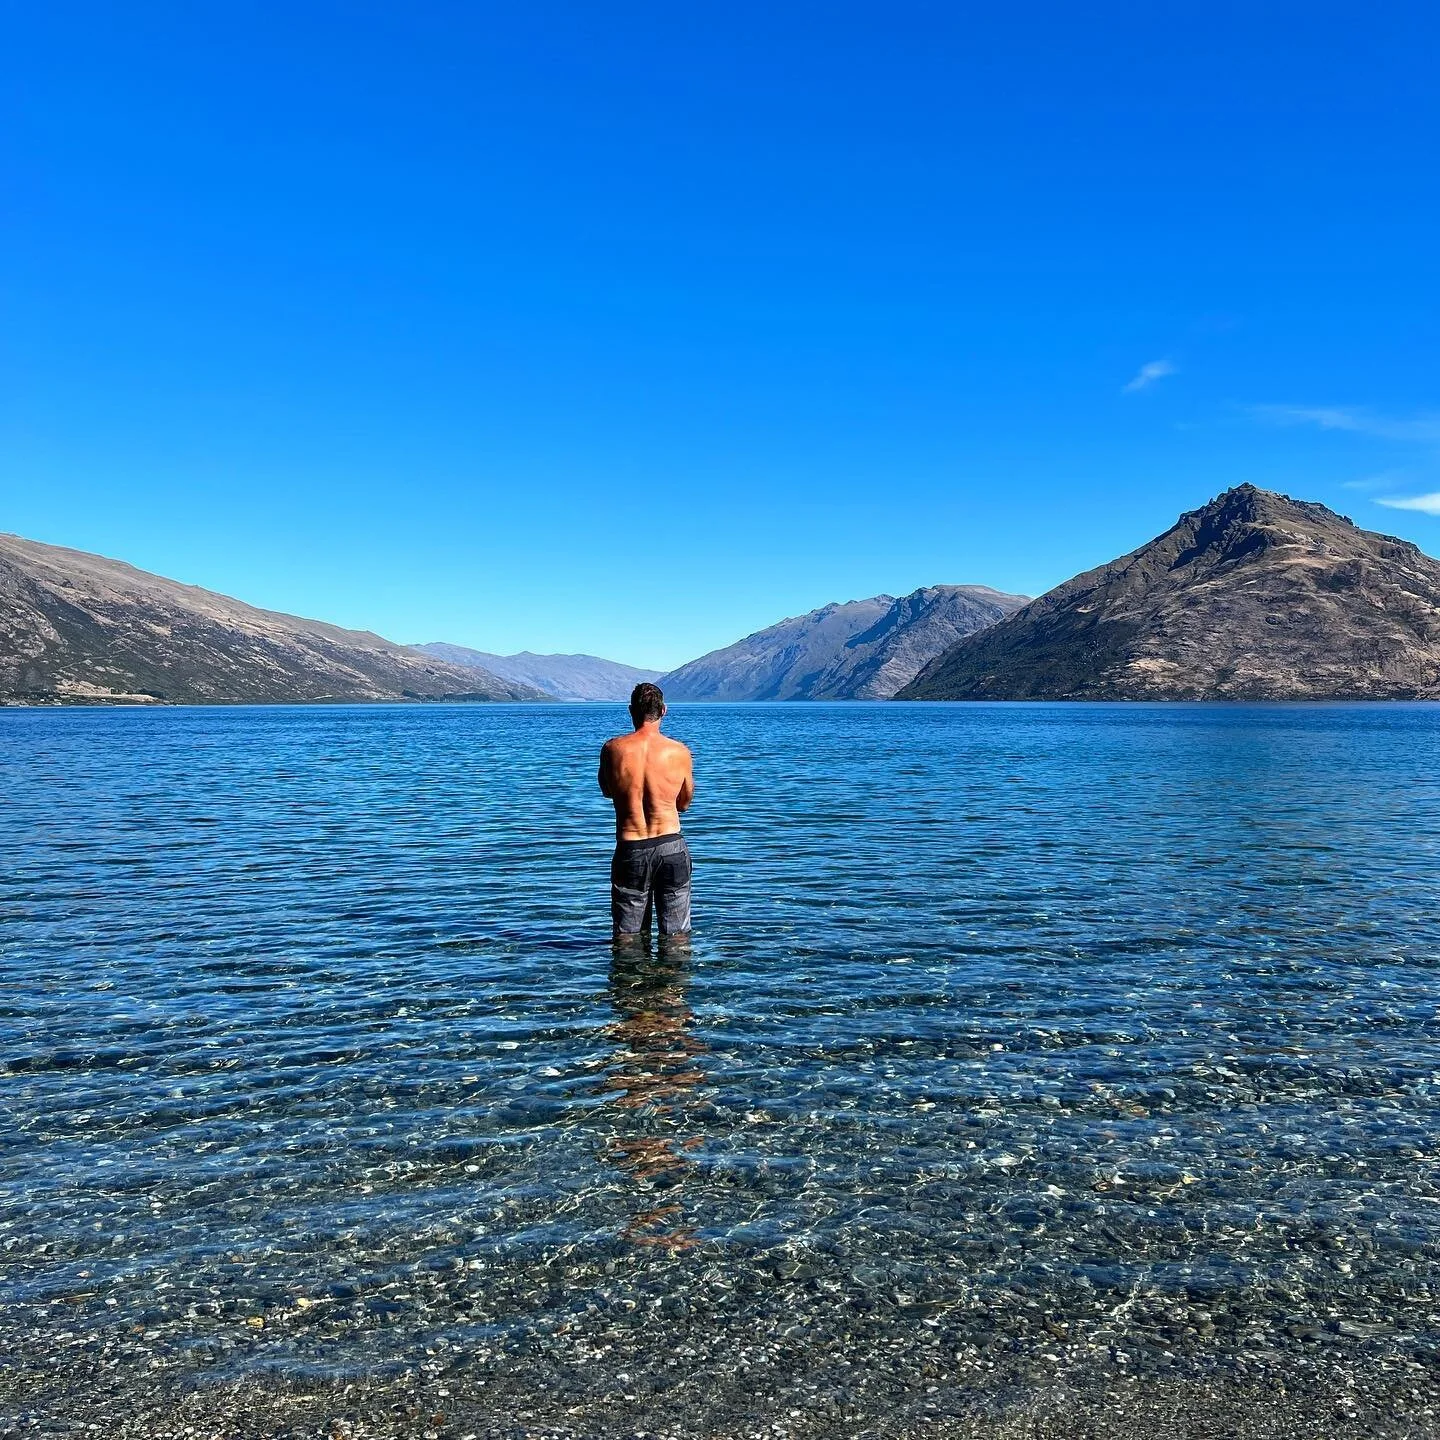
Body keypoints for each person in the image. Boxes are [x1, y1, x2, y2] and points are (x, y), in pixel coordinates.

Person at [598, 682, 694, 943]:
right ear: (663, 710)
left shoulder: (612, 749)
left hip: (631, 848)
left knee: (627, 936)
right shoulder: (680, 752)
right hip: (671, 846)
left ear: (631, 710)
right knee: (676, 935)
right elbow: (684, 804)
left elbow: (607, 791)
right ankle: (674, 971)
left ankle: (629, 970)